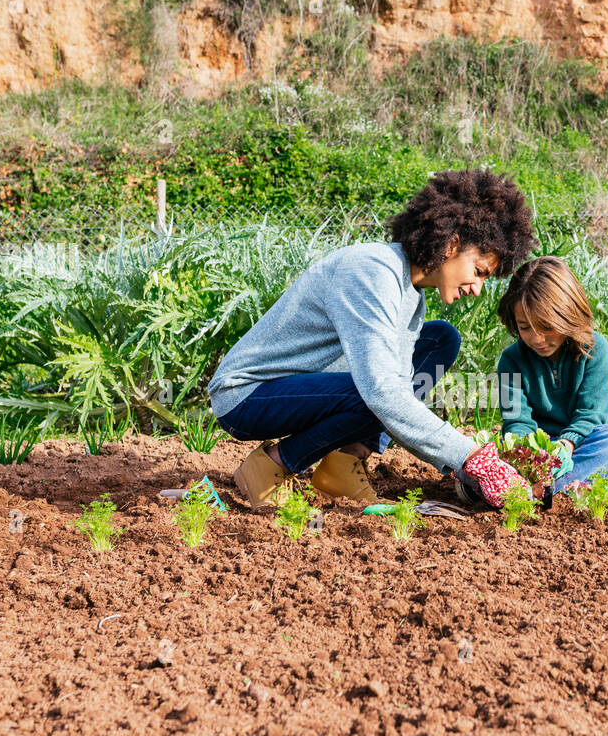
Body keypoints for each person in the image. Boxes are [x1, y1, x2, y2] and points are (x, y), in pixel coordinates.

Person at [207, 168, 536, 509]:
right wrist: (470, 457)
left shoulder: (412, 294)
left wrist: (456, 459)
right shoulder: (372, 273)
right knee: (379, 392)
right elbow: (384, 393)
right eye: (479, 271)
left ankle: (345, 460)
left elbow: (393, 390)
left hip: (304, 386)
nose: (477, 288)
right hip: (247, 395)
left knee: (440, 340)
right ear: (452, 245)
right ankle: (275, 462)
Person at [458, 256, 608, 500]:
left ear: (568, 316)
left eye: (546, 326)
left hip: (581, 445)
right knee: (468, 455)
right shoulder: (511, 361)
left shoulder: (594, 349)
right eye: (525, 327)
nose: (536, 339)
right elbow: (517, 423)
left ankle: (520, 492)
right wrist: (532, 458)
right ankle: (594, 479)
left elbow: (592, 415)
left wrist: (566, 445)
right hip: (535, 453)